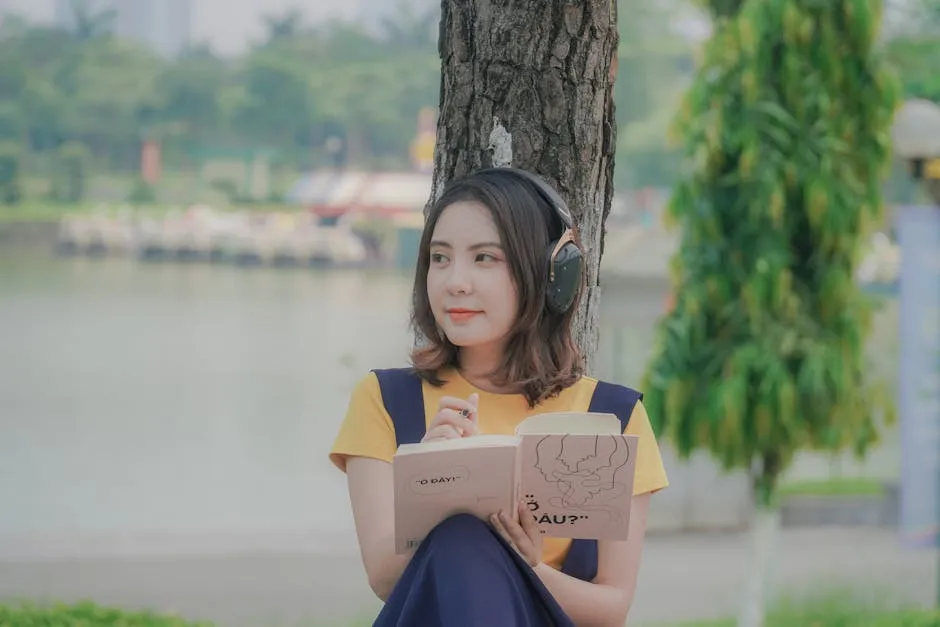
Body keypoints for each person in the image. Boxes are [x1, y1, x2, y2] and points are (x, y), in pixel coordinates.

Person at [329, 167, 669, 627]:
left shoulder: (612, 417)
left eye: (485, 258)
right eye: (440, 257)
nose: (455, 282)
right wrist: (429, 488)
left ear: (551, 275)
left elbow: (610, 609)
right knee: (460, 541)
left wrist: (527, 567)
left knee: (472, 543)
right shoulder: (387, 401)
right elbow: (385, 581)